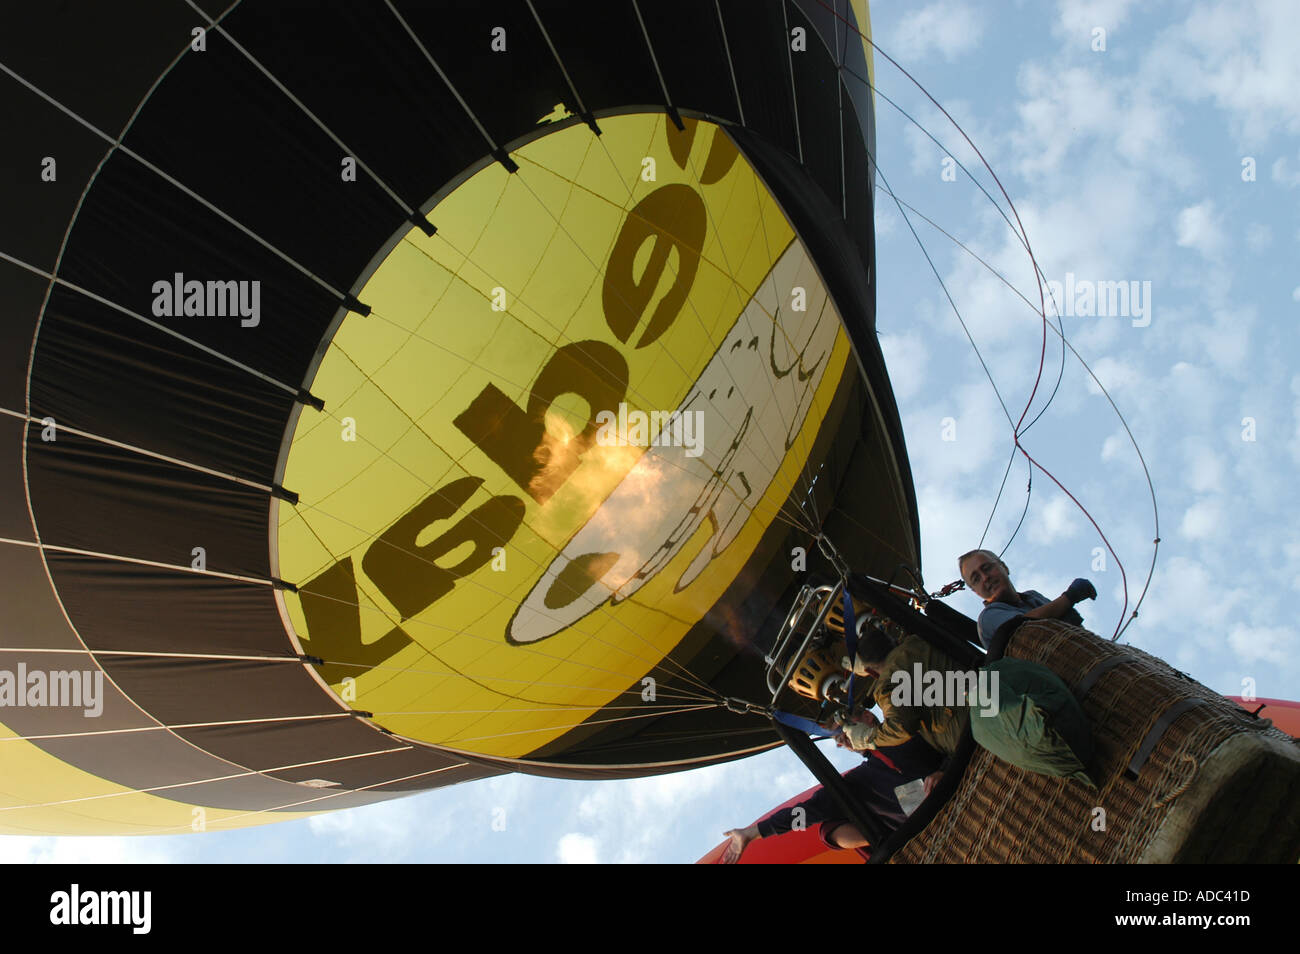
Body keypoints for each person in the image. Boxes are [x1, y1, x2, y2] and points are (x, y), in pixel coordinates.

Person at [720, 732, 943, 863]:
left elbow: (951, 741)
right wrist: (755, 831)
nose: (843, 740)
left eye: (846, 730)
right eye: (841, 736)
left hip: (957, 790)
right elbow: (803, 814)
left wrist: (945, 771)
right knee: (826, 831)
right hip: (927, 833)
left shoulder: (905, 737)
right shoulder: (854, 786)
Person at [957, 549, 1097, 649]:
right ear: (975, 591)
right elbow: (1025, 626)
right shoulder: (988, 618)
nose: (985, 577)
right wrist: (1070, 597)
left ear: (1004, 567)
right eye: (976, 579)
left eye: (987, 568)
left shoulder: (1033, 596)